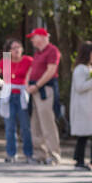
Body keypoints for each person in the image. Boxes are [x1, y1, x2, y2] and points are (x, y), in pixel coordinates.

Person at [26, 27, 61, 164]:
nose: (32, 40)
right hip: (34, 89)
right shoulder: (38, 53)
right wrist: (27, 85)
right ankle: (40, 154)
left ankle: (54, 154)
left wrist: (37, 85)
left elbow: (51, 71)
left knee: (47, 123)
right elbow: (32, 69)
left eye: (34, 37)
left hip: (44, 89)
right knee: (35, 123)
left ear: (41, 37)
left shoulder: (52, 50)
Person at [69, 42, 92, 171]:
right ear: (88, 53)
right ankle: (79, 160)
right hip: (83, 107)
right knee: (83, 134)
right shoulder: (80, 69)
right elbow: (80, 87)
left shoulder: (89, 68)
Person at [0, 38, 34, 163]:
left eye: (18, 47)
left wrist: (28, 84)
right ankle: (11, 154)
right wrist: (2, 83)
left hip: (22, 95)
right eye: (13, 48)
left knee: (25, 127)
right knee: (10, 127)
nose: (16, 50)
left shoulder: (28, 61)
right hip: (8, 95)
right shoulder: (5, 62)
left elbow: (34, 73)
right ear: (9, 51)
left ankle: (28, 154)